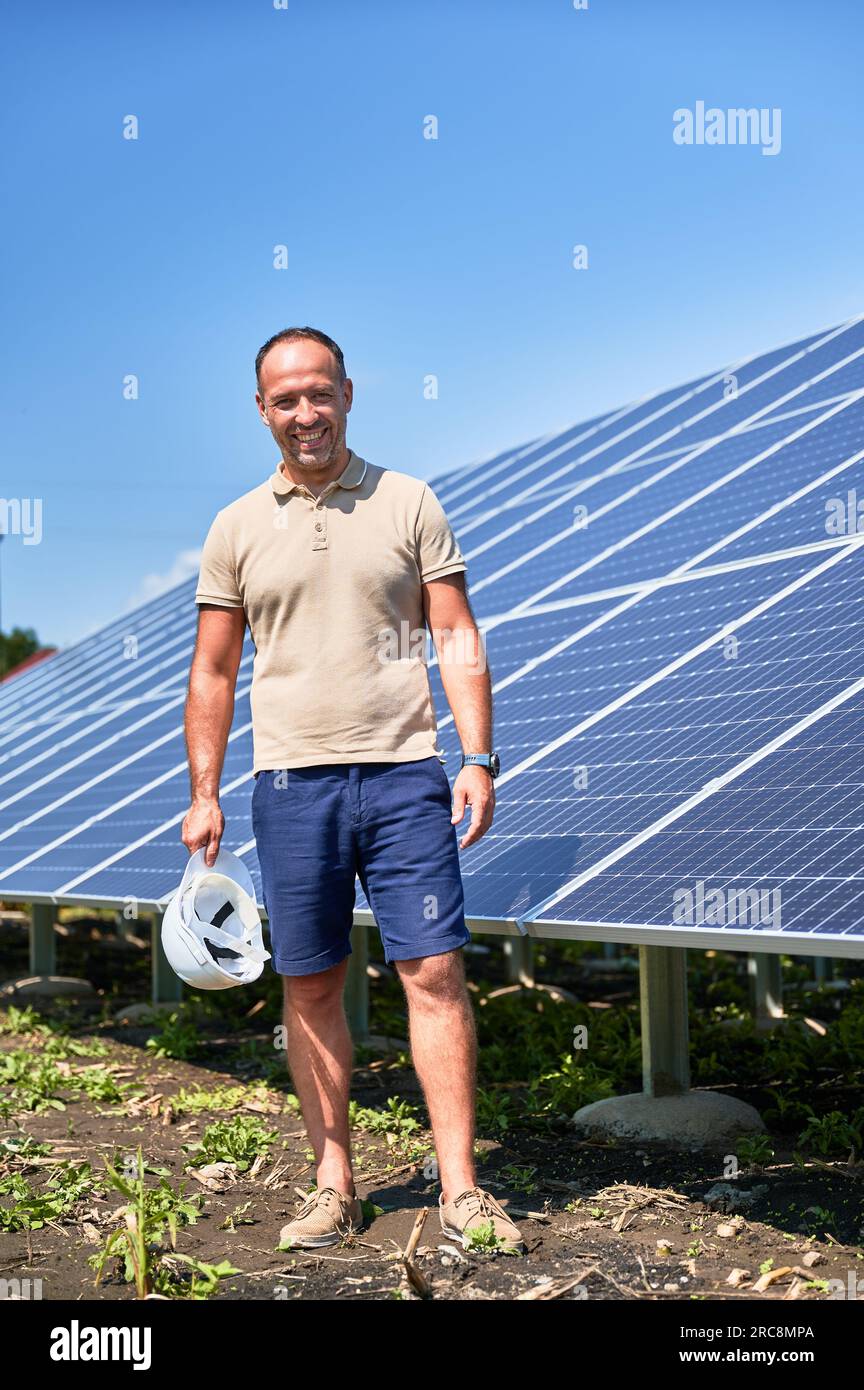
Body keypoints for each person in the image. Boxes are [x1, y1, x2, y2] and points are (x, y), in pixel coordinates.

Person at [182, 326, 523, 1253]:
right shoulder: (237, 527)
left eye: (319, 393)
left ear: (347, 394)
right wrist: (204, 790)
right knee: (311, 984)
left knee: (435, 974)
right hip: (291, 786)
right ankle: (334, 1185)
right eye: (285, 399)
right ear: (263, 411)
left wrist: (478, 756)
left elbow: (455, 634)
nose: (305, 413)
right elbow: (213, 671)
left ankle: (461, 1189)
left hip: (407, 778)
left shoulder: (409, 502)